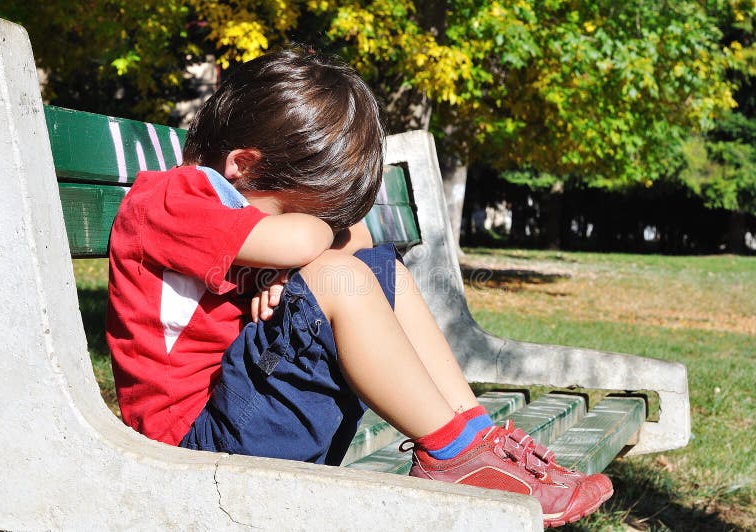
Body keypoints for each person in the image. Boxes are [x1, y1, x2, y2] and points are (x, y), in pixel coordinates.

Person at [106, 48, 612, 527]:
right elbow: (310, 238)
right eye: (301, 207)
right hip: (190, 449)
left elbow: (358, 236)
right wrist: (305, 245)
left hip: (239, 417)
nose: (315, 224)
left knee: (379, 268)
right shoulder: (172, 198)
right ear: (244, 165)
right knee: (340, 276)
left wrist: (291, 258)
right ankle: (453, 451)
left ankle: (474, 438)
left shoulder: (234, 204)